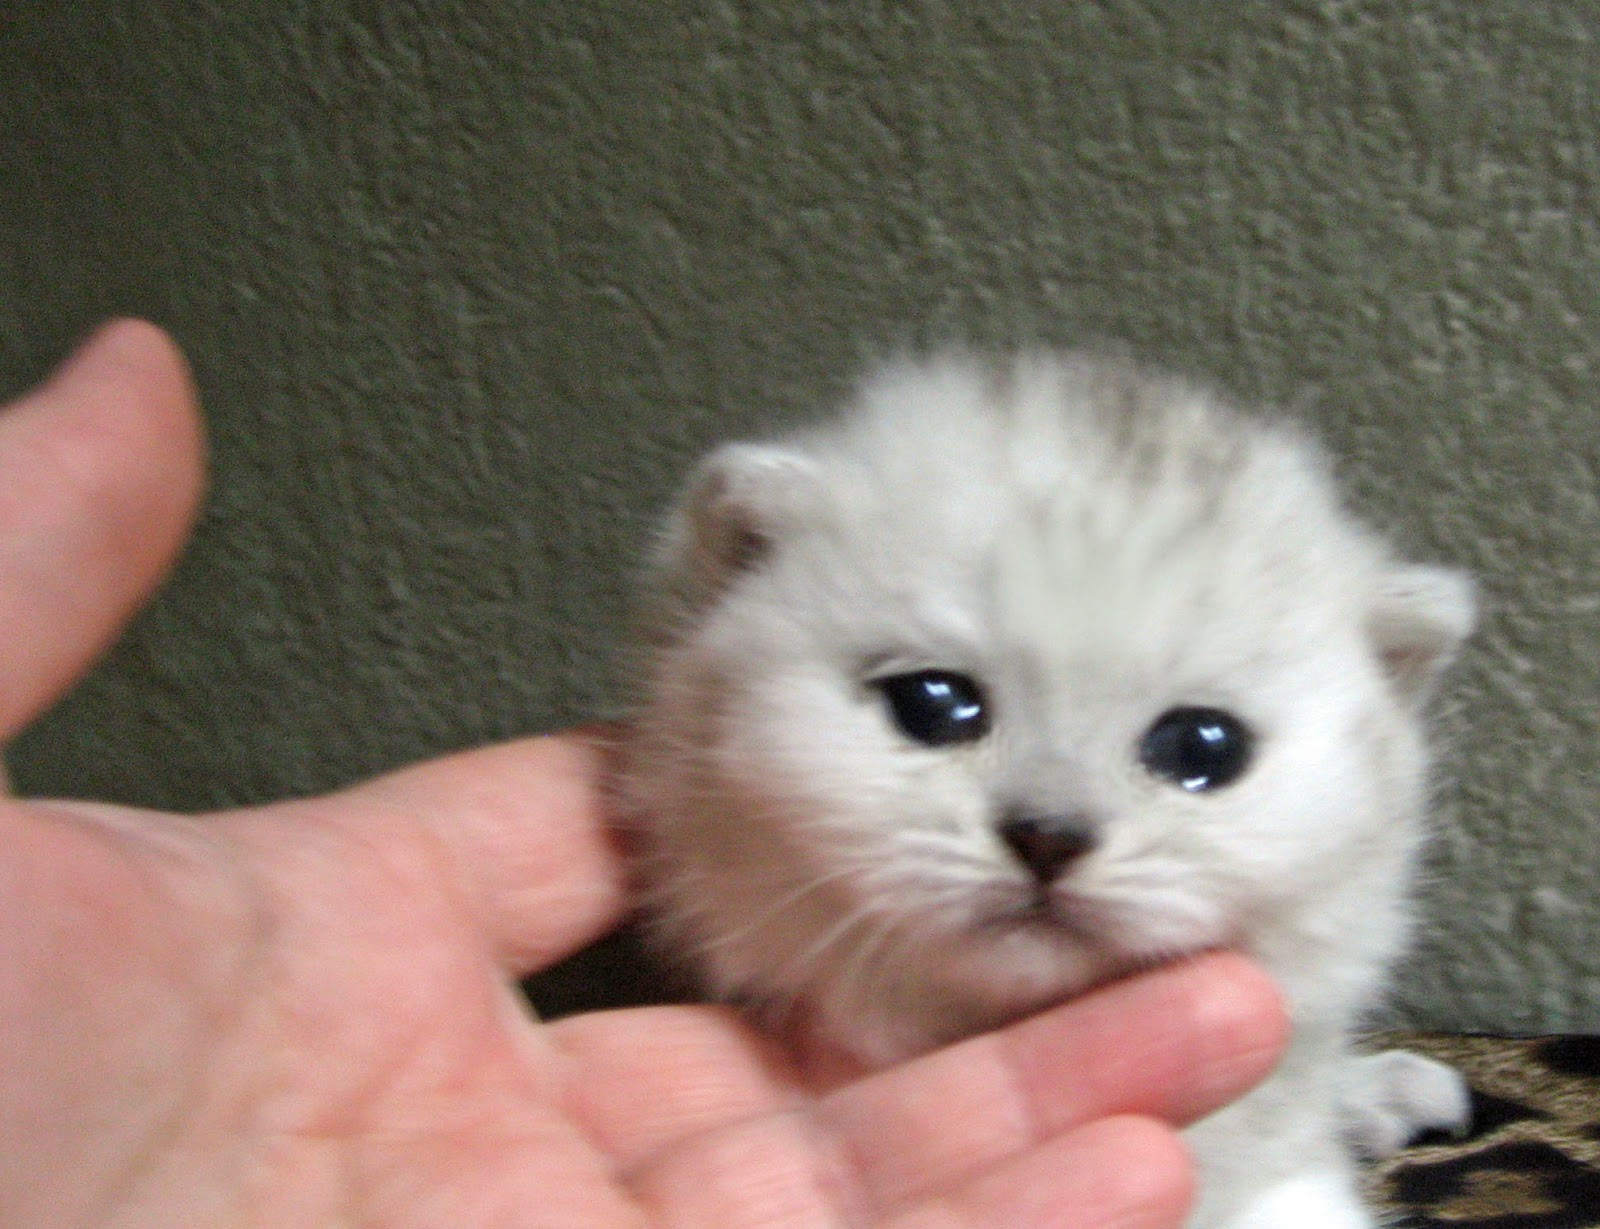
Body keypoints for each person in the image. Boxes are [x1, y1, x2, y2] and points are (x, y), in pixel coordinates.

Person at [0, 320, 1287, 1228]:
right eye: (933, 703)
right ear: (732, 573)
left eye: (1195, 752)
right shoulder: (540, 1047)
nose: (1054, 823)